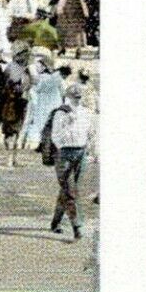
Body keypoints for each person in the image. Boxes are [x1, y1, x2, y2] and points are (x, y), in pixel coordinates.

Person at [45, 85, 95, 240]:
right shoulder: (61, 112)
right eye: (75, 96)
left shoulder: (86, 112)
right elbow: (55, 136)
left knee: (67, 191)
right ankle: (76, 227)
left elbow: (90, 132)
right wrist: (63, 145)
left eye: (79, 96)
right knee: (70, 191)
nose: (77, 99)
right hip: (65, 154)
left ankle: (55, 222)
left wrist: (87, 148)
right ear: (68, 97)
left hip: (80, 153)